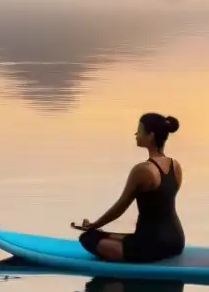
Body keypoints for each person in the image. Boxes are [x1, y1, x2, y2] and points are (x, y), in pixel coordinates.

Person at [72, 113, 185, 263]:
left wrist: (94, 225)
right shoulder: (175, 165)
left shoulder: (143, 170)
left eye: (139, 130)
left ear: (150, 136)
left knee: (88, 238)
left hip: (152, 246)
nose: (136, 134)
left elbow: (121, 206)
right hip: (176, 241)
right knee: (103, 234)